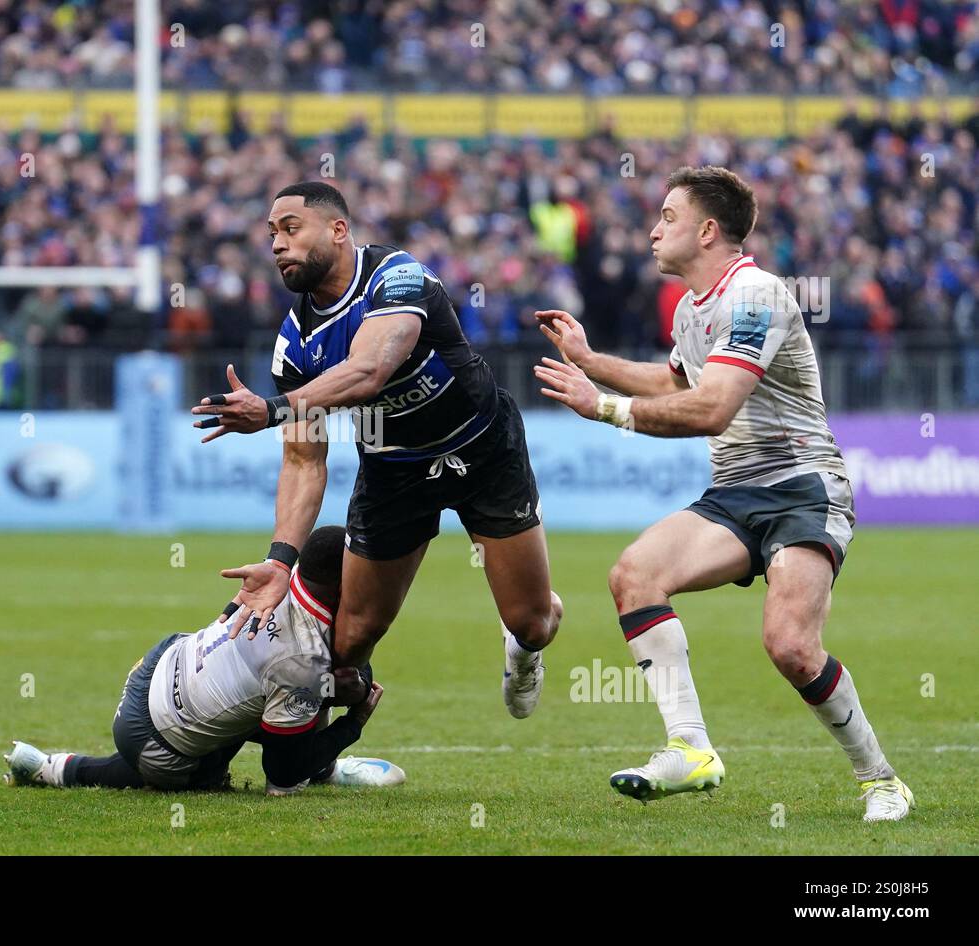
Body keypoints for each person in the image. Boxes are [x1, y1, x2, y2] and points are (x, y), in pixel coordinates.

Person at [533, 165, 913, 822]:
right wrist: (592, 360)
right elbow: (676, 381)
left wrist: (604, 408)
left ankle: (880, 778)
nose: (654, 231)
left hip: (802, 488)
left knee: (791, 645)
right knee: (634, 574)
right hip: (736, 491)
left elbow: (710, 409)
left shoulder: (757, 295)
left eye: (668, 218)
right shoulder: (691, 308)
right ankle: (690, 748)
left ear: (708, 231)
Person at [190, 182, 563, 719]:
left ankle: (524, 654)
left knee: (532, 622)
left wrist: (273, 409)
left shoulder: (396, 275)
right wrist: (279, 561)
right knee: (350, 642)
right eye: (272, 233)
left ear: (338, 230)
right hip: (394, 471)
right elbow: (303, 460)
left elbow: (370, 370)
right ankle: (318, 760)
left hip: (483, 450)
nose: (276, 244)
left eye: (291, 229)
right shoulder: (294, 343)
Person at [4, 526, 404, 795]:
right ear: (342, 578)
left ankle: (41, 765)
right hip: (155, 738)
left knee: (304, 688)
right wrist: (353, 724)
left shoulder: (285, 576)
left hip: (161, 664)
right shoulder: (302, 658)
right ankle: (53, 770)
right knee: (298, 703)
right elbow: (280, 775)